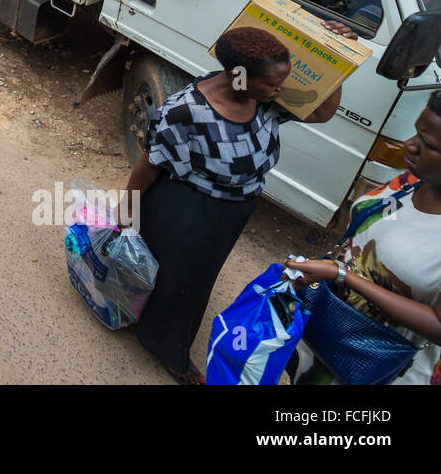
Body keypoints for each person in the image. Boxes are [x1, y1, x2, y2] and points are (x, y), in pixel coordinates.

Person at [121, 22, 355, 384]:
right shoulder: (186, 112)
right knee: (181, 281)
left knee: (198, 276)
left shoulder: (264, 101)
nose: (280, 89)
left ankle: (153, 322)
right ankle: (168, 350)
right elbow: (150, 164)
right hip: (188, 208)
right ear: (239, 76)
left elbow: (322, 112)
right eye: (273, 83)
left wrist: (339, 61)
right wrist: (127, 208)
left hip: (233, 209)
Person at [284, 93, 441, 386]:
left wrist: (343, 275)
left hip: (380, 368)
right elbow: (369, 234)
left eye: (428, 144)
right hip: (330, 333)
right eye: (417, 132)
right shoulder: (411, 181)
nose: (410, 144)